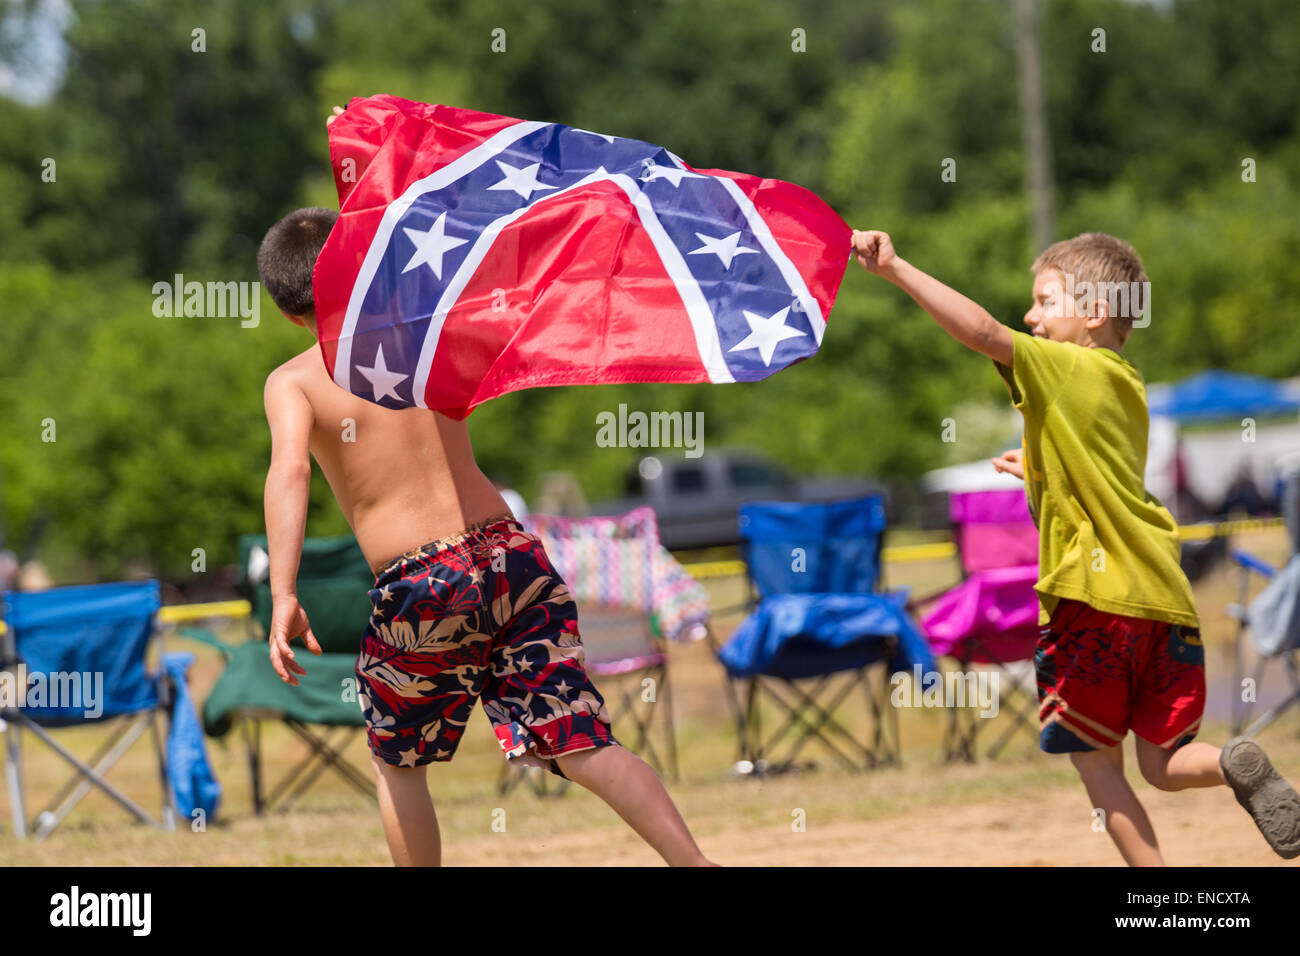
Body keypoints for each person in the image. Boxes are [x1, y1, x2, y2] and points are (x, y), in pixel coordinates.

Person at [252, 111, 713, 867]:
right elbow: (423, 226)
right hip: (511, 557)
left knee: (398, 763)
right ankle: (696, 865)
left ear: (282, 310)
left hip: (423, 583)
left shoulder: (296, 381)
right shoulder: (425, 328)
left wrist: (283, 593)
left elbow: (290, 471)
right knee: (577, 739)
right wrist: (370, 158)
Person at [851, 227, 1300, 865]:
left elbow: (982, 332)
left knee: (1097, 767)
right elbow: (1102, 479)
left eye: (1043, 301)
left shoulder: (1066, 364)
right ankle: (1233, 763)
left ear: (1091, 313)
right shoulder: (1128, 384)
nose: (1030, 317)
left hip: (1091, 605)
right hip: (1162, 601)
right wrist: (1036, 470)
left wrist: (896, 269)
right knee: (1165, 765)